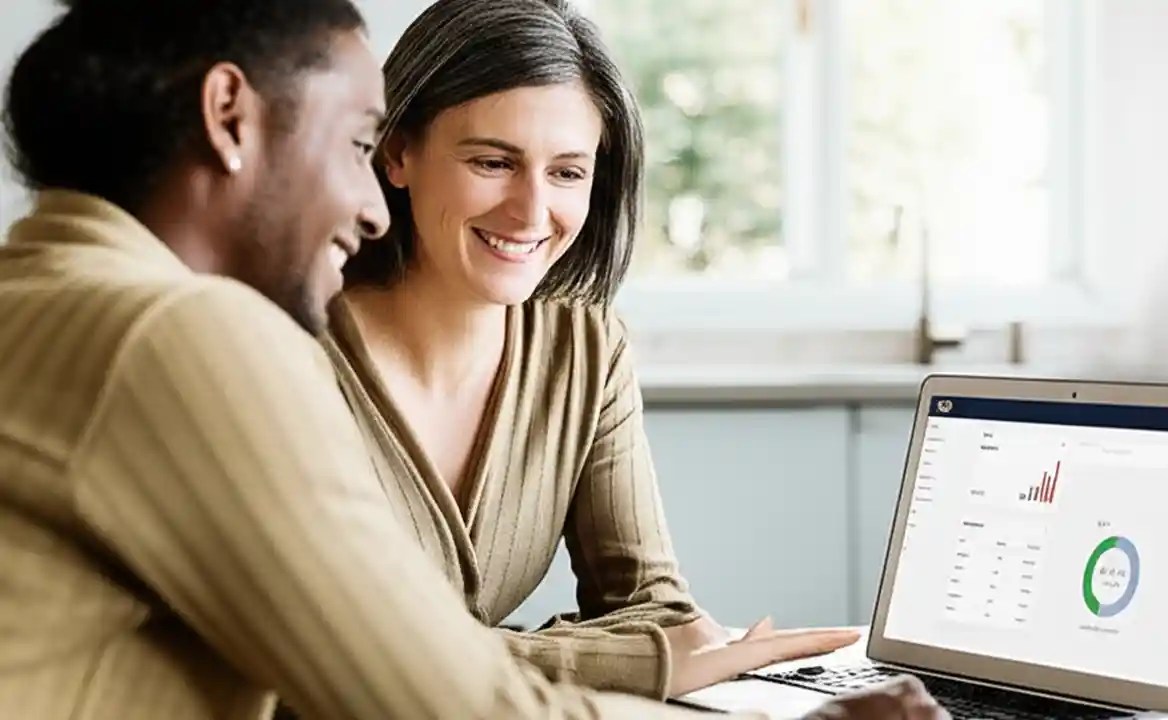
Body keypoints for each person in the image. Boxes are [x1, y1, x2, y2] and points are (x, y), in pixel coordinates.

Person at [0, 0, 947, 718]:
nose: (369, 204)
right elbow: (436, 700)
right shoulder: (180, 334)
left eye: (568, 171)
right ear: (229, 116)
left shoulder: (46, 296)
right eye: (358, 143)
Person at [332, 0, 855, 699]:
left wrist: (653, 650)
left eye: (568, 173)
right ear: (397, 152)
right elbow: (336, 652)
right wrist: (620, 659)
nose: (530, 211)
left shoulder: (584, 347)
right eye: (493, 161)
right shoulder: (289, 345)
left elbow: (657, 615)